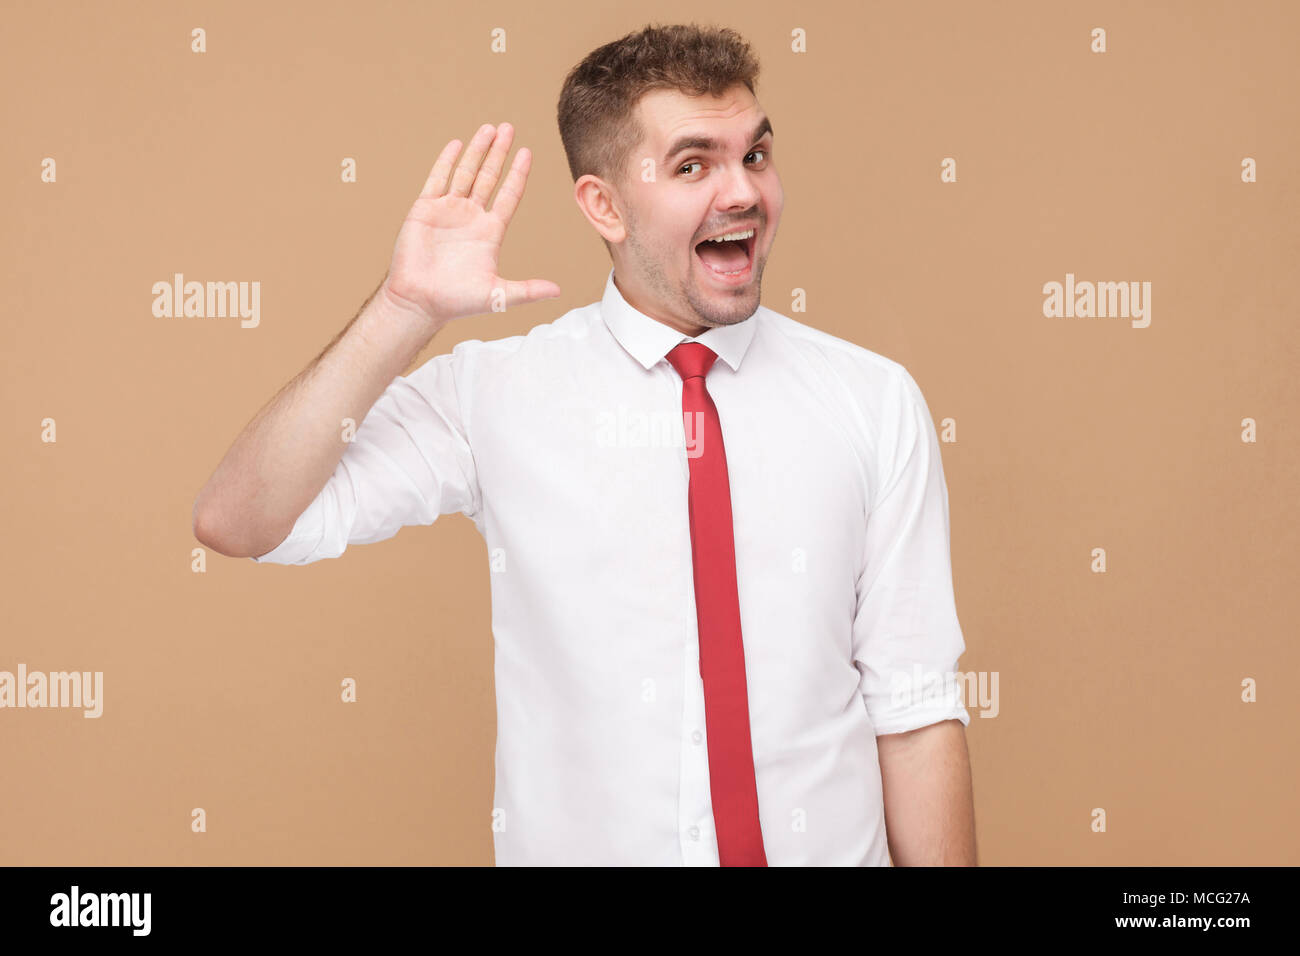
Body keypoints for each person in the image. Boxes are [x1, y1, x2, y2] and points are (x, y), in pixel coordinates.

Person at [193, 22, 977, 866]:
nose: (743, 192)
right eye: (692, 164)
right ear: (604, 204)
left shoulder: (872, 401)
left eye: (754, 155)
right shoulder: (494, 395)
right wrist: (403, 310)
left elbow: (916, 709)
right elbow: (242, 520)